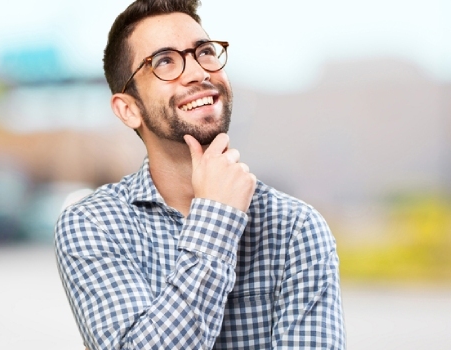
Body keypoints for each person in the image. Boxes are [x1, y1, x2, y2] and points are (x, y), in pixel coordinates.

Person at [55, 0, 345, 348]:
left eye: (204, 52)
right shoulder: (93, 223)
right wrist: (217, 220)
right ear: (129, 109)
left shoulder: (295, 227)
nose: (198, 72)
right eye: (164, 61)